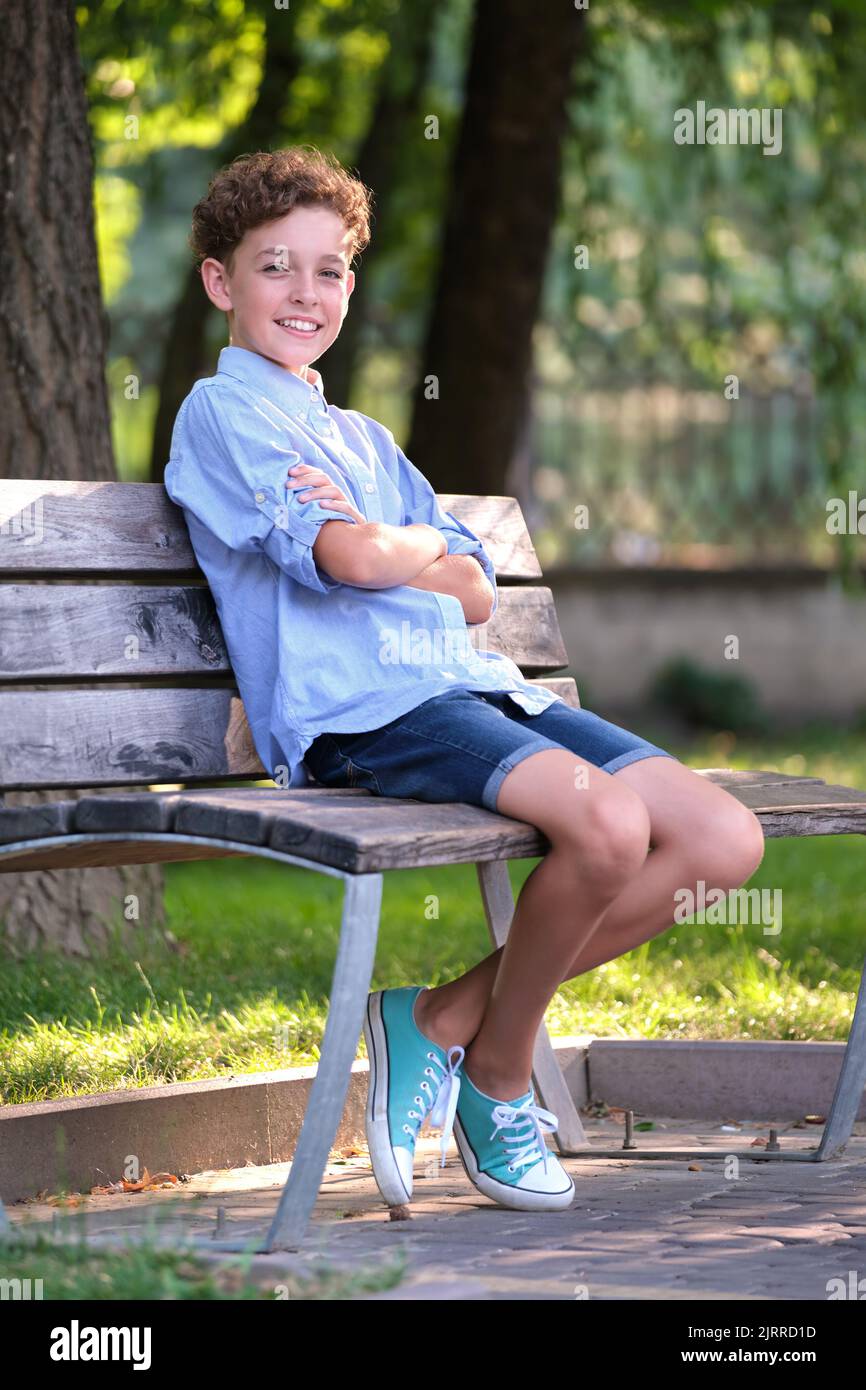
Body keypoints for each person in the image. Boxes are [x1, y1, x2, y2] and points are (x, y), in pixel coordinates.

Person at [165, 146, 766, 1215]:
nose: (307, 293)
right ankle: (495, 1079)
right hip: (366, 713)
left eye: (330, 270)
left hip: (473, 689)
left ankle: (433, 1020)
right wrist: (403, 552)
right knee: (611, 829)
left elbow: (472, 589)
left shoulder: (358, 438)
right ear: (220, 281)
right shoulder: (223, 416)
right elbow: (347, 563)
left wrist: (388, 540)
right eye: (275, 267)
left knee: (722, 843)